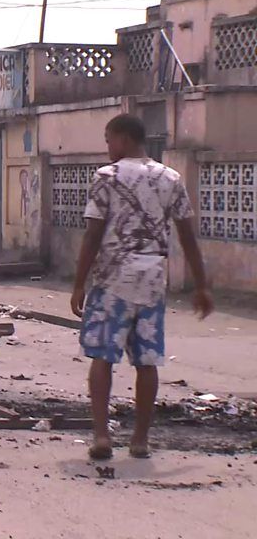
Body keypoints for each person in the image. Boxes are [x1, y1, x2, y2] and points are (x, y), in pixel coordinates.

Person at [71, 114, 213, 461]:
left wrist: (79, 284)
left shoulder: (108, 176)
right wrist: (201, 286)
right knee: (146, 362)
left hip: (112, 280)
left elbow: (93, 234)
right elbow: (187, 237)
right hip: (152, 280)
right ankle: (140, 441)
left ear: (123, 139)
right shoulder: (171, 177)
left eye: (108, 140)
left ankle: (102, 436)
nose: (107, 149)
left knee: (103, 358)